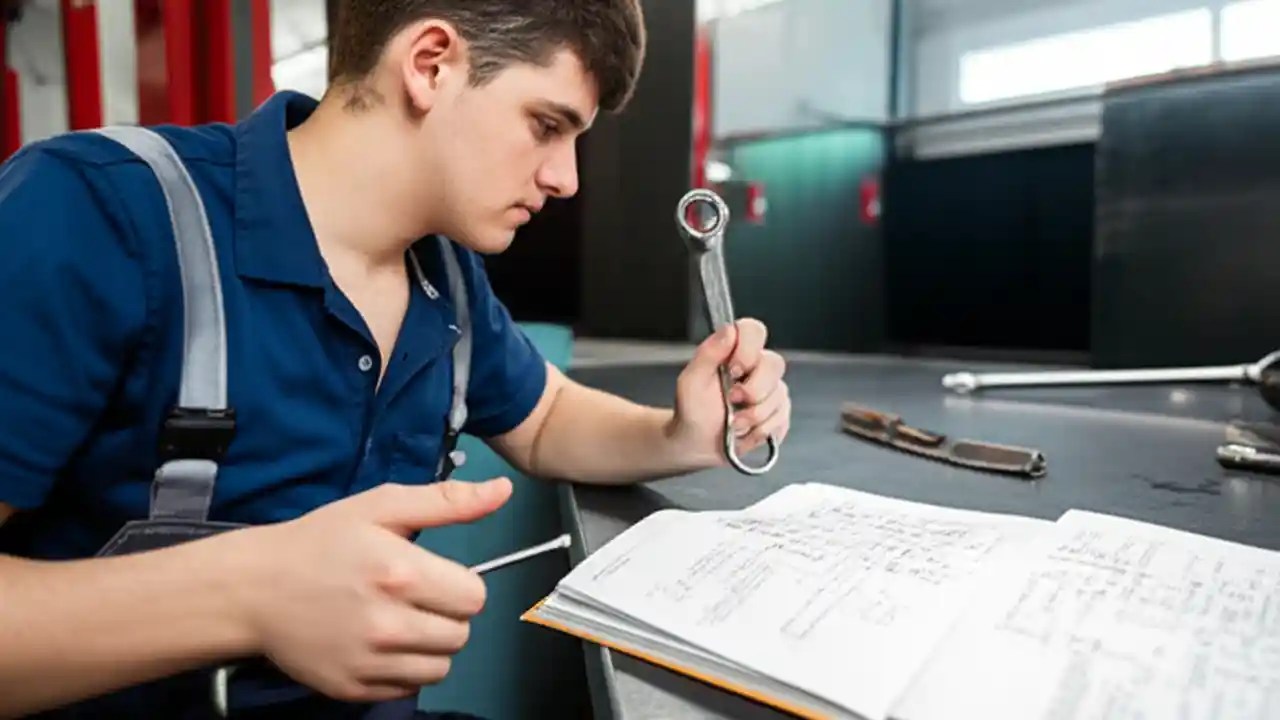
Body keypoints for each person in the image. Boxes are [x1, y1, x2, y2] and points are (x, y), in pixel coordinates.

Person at [0, 1, 791, 718]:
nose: (565, 178)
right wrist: (249, 595)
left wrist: (680, 434)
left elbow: (544, 417)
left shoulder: (442, 275)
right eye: (548, 126)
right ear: (431, 63)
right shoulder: (93, 216)